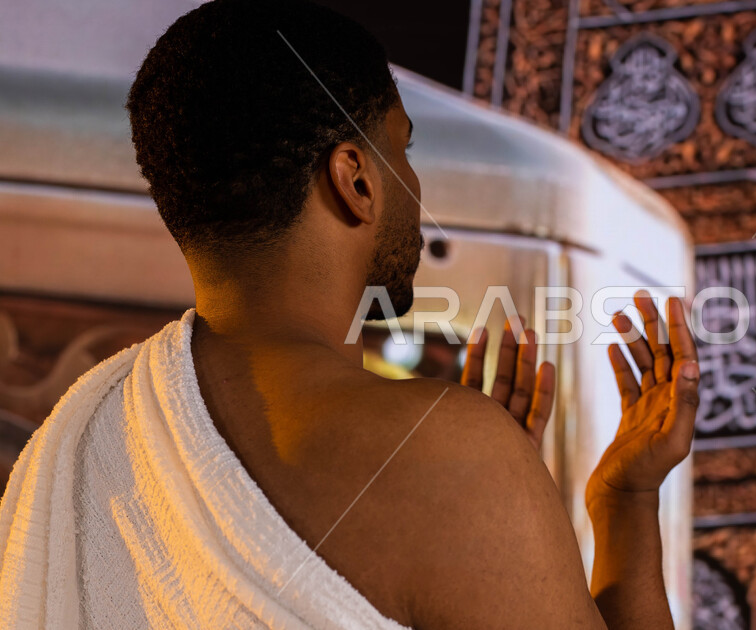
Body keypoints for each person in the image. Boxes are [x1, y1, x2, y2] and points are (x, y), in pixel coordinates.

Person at [0, 0, 700, 628]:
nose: (415, 186)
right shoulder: (457, 459)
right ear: (356, 180)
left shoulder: (68, 439)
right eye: (402, 148)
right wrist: (625, 501)